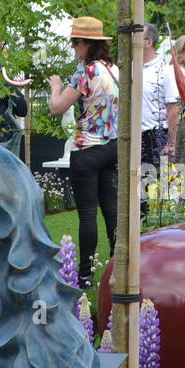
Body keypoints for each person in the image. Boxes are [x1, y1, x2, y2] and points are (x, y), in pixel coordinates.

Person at [50, 17, 118, 288]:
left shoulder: (85, 72)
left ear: (89, 44)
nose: (74, 47)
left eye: (76, 42)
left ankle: (85, 275)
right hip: (111, 147)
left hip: (87, 149)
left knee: (88, 214)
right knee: (111, 210)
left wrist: (55, 86)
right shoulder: (114, 70)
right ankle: (117, 266)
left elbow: (57, 107)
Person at [140, 24, 179, 166]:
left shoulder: (165, 71)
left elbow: (173, 109)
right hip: (130, 136)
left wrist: (171, 143)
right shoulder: (129, 69)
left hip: (155, 136)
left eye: (136, 37)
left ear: (148, 42)